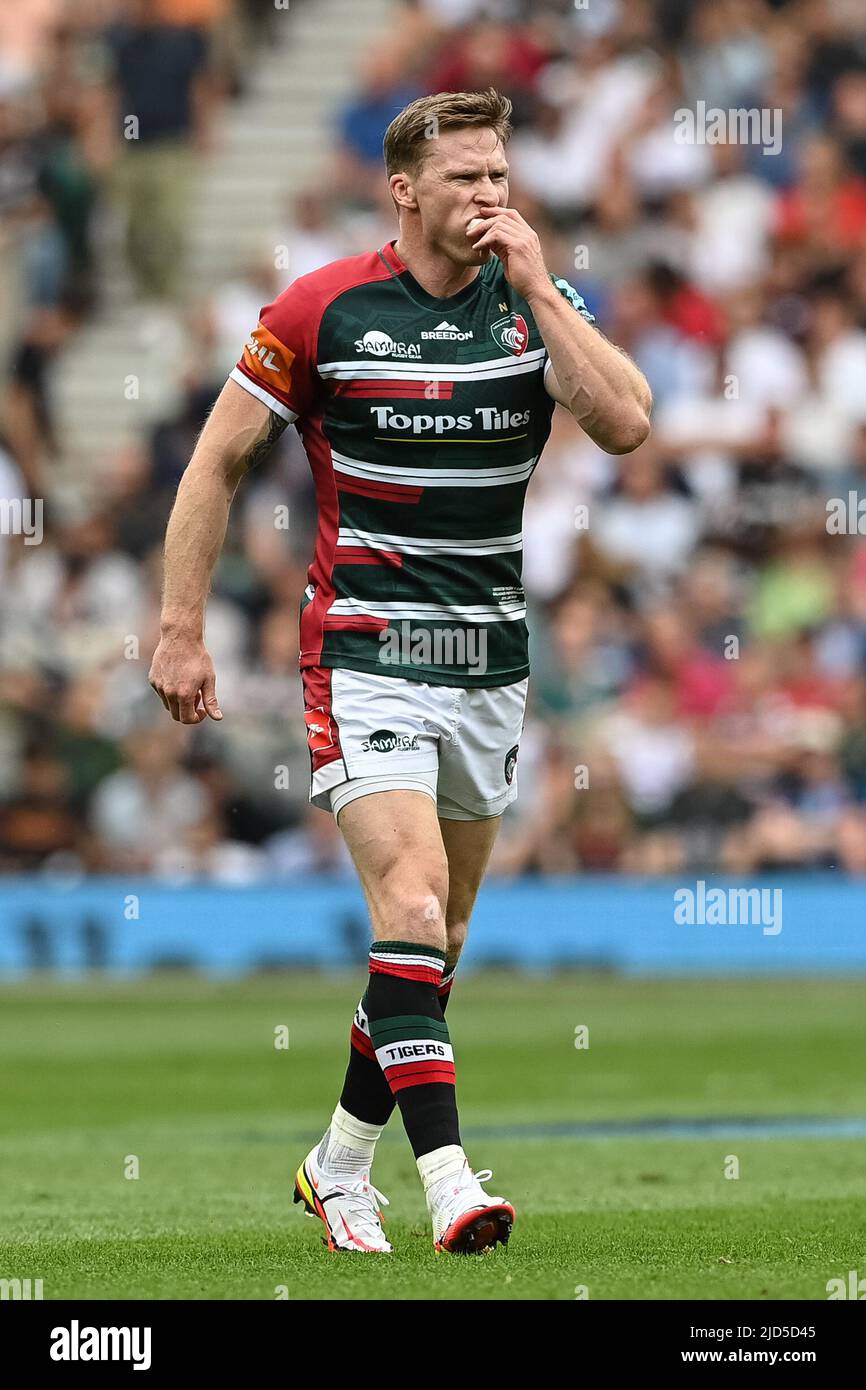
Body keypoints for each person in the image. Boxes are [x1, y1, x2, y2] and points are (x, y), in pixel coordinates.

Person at [148, 87, 651, 1255]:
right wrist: (179, 626)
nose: (488, 196)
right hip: (365, 651)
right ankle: (450, 1181)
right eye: (465, 178)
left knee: (434, 943)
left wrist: (536, 286)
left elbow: (625, 422)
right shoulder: (323, 309)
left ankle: (335, 1164)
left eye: (500, 176)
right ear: (404, 191)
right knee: (410, 905)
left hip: (488, 659)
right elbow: (215, 463)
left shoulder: (535, 308)